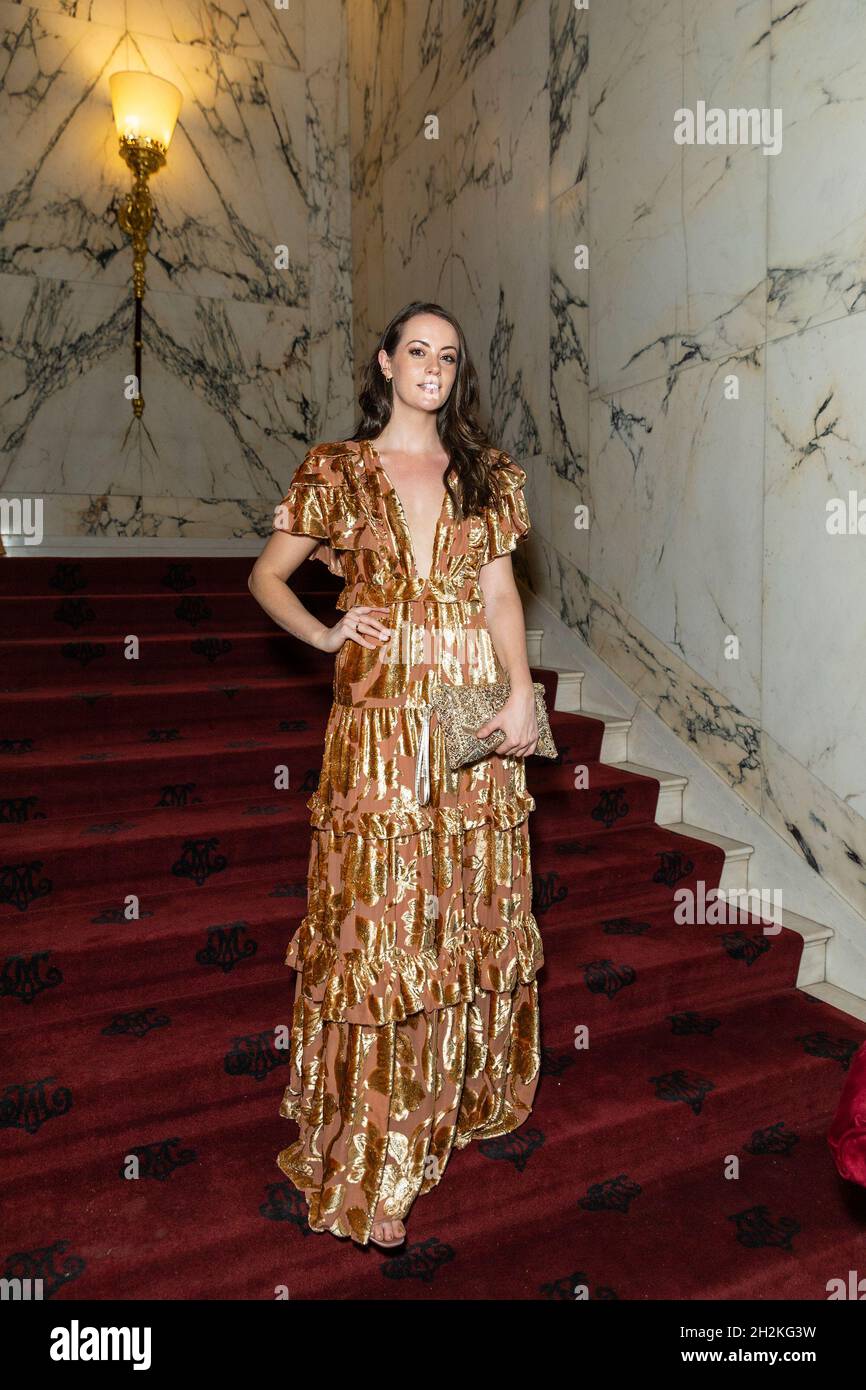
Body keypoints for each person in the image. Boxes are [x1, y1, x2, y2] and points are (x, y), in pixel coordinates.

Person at [248, 301, 543, 1250]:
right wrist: (329, 631)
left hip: (467, 719)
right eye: (417, 351)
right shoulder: (337, 469)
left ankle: (453, 1096)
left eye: (449, 357)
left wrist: (523, 693)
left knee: (461, 906)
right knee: (383, 921)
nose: (433, 367)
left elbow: (498, 595)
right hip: (377, 728)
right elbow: (268, 577)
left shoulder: (488, 477)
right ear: (386, 362)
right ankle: (376, 1148)